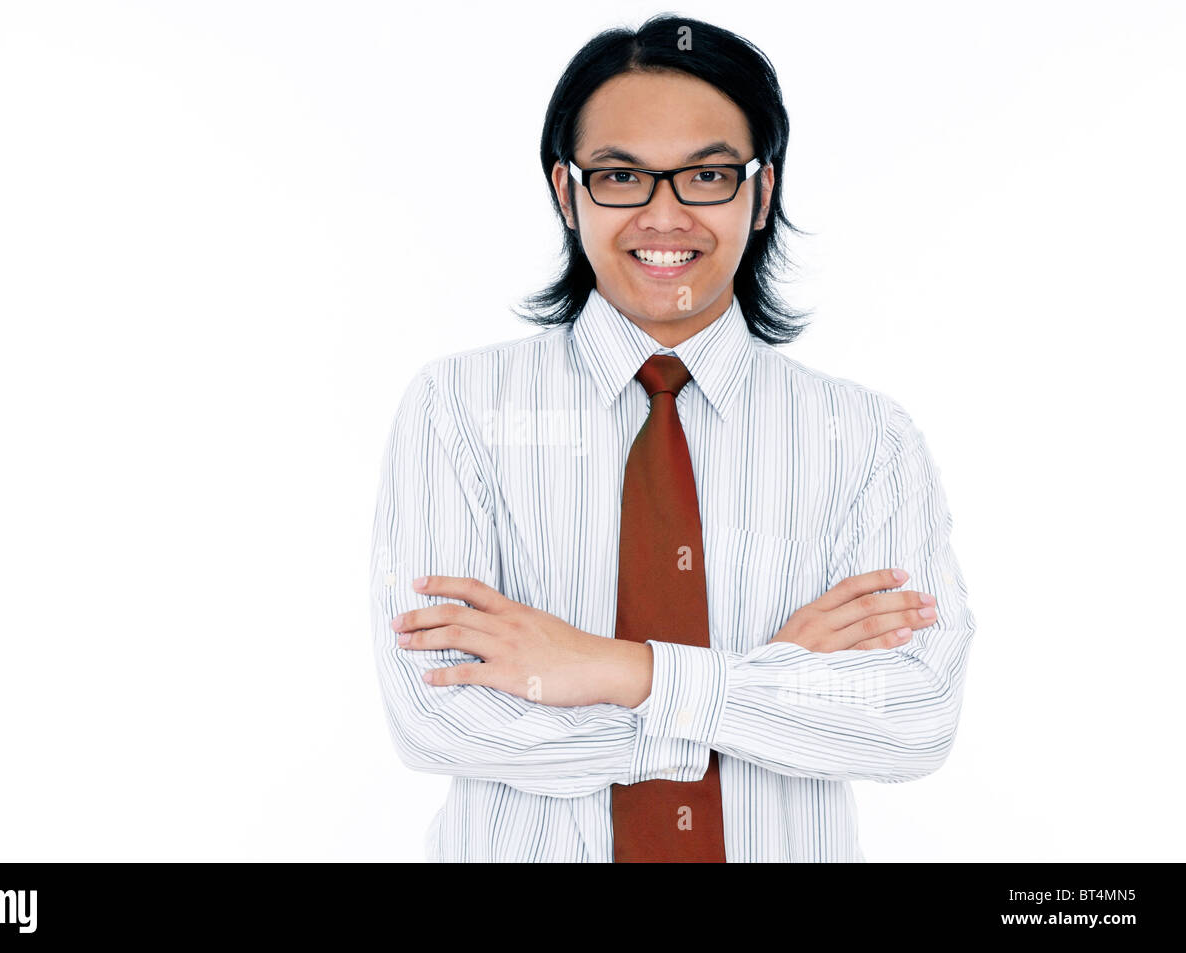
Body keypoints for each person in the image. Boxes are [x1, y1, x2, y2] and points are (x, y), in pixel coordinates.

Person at [368, 13, 975, 862]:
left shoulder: (865, 438)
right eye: (620, 175)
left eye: (708, 176)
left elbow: (912, 719)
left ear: (761, 195)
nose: (664, 215)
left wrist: (620, 672)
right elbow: (437, 717)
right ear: (565, 192)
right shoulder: (459, 408)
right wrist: (767, 684)